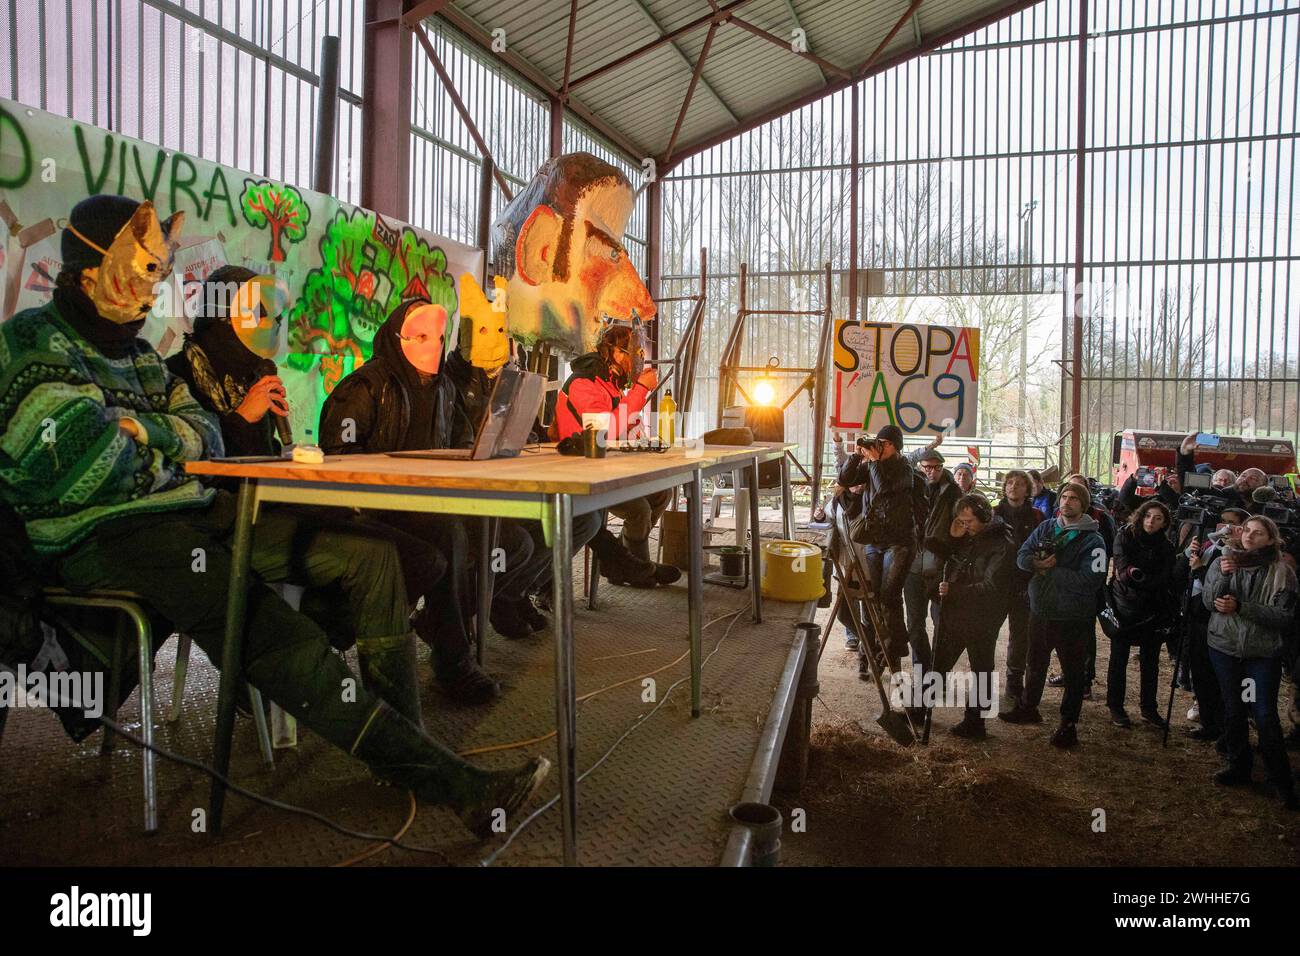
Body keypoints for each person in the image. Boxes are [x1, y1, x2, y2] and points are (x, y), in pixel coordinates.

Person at [0, 195, 548, 833]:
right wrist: (167, 443)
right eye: (142, 267)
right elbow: (80, 461)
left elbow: (202, 435)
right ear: (88, 267)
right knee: (272, 632)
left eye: (159, 270)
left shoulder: (144, 357)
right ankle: (449, 785)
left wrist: (145, 435)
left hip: (200, 511)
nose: (151, 285)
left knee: (374, 558)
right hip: (106, 535)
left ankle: (399, 743)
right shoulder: (33, 344)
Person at [317, 297, 544, 658]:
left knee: (513, 542)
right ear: (395, 338)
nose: (432, 346)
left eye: (438, 338)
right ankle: (454, 659)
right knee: (448, 537)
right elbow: (336, 456)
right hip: (380, 509)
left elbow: (463, 439)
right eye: (419, 336)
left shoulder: (444, 389)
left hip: (435, 503)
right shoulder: (365, 386)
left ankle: (438, 623)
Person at [1001, 482, 1108, 748]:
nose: (1067, 502)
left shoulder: (1093, 540)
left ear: (1083, 505)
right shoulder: (1047, 527)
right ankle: (1028, 707)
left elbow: (1092, 579)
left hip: (1073, 616)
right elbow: (1022, 555)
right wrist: (1035, 563)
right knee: (1035, 663)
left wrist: (1052, 572)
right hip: (1041, 611)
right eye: (1064, 497)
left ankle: (1068, 724)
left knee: (1073, 673)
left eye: (1074, 498)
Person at [1202, 515, 1298, 810]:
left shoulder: (1282, 572)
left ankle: (1280, 778)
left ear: (1271, 539)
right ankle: (1239, 765)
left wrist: (1242, 608)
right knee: (1233, 708)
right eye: (1247, 531)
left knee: (1265, 714)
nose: (1250, 537)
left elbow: (1283, 617)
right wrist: (1223, 576)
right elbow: (1209, 601)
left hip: (1261, 652)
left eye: (1258, 533)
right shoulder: (1224, 561)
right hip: (1225, 646)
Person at [837, 424, 921, 669]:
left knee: (889, 595)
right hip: (875, 541)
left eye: (881, 443)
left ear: (893, 446)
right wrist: (856, 455)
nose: (877, 447)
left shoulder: (905, 469)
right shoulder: (872, 465)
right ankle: (887, 648)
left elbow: (883, 488)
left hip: (899, 543)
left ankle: (895, 647)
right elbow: (845, 479)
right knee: (876, 598)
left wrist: (873, 462)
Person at [932, 494, 1014, 739]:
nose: (965, 526)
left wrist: (955, 590)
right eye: (962, 521)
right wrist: (955, 538)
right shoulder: (972, 536)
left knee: (981, 669)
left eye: (969, 521)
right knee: (940, 662)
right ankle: (919, 708)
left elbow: (992, 587)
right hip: (959, 612)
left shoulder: (1003, 544)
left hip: (983, 616)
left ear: (985, 516)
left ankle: (976, 723)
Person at [1106, 499, 1179, 729]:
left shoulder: (1166, 546)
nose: (1151, 522)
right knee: (1119, 658)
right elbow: (1122, 569)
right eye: (1148, 516)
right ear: (1141, 516)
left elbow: (1166, 576)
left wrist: (1144, 580)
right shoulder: (1125, 536)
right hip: (1123, 605)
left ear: (1164, 522)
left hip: (1152, 608)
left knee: (1150, 661)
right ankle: (1116, 707)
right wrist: (1141, 578)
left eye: (1158, 518)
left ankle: (1149, 709)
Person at [1182, 507, 1248, 743]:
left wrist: (1199, 569)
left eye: (1232, 524)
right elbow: (1183, 573)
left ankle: (1223, 729)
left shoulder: (1240, 556)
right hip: (1196, 616)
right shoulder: (1211, 546)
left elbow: (1220, 592)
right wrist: (1189, 556)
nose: (1225, 528)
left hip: (1220, 622)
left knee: (1221, 680)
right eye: (1222, 522)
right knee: (1200, 675)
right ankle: (1208, 723)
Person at [903, 447, 960, 671]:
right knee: (914, 625)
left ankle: (937, 669)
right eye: (927, 467)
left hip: (940, 568)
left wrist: (947, 553)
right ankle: (923, 667)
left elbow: (959, 529)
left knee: (942, 623)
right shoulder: (909, 489)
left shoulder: (953, 493)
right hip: (912, 566)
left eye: (937, 467)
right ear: (919, 467)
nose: (932, 472)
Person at [994, 469, 1046, 700]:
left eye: (1019, 484)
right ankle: (982, 679)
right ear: (1004, 488)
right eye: (1010, 483)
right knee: (987, 633)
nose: (1013, 487)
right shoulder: (993, 514)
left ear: (1028, 489)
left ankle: (1014, 682)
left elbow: (1043, 546)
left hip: (1025, 583)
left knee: (1020, 635)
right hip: (996, 583)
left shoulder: (1037, 517)